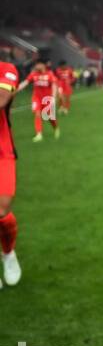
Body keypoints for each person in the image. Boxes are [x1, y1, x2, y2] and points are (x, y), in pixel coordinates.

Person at [0, 56, 22, 289]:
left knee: (2, 211)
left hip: (2, 151)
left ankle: (8, 253)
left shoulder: (6, 69)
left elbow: (2, 99)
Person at [19, 59, 60, 141]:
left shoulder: (50, 74)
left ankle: (56, 128)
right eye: (36, 64)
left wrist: (53, 97)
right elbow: (26, 82)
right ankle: (39, 134)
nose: (36, 66)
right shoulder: (33, 74)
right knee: (37, 114)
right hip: (36, 98)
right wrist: (15, 89)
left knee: (49, 116)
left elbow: (54, 86)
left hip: (47, 99)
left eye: (38, 64)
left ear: (43, 65)